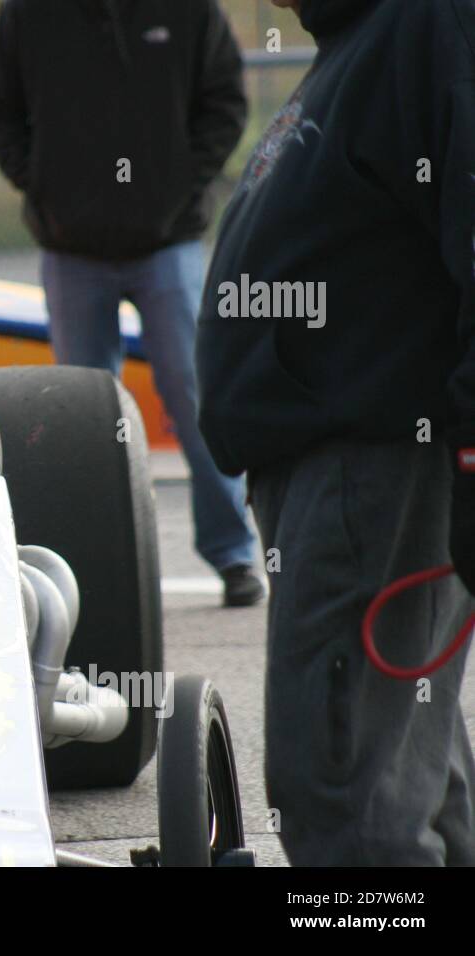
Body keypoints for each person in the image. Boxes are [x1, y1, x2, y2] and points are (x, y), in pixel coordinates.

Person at [196, 0, 475, 864]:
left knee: (348, 802)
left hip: (376, 469)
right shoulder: (368, 37)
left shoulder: (429, 23)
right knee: (404, 790)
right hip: (346, 474)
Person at [0, 0, 263, 607]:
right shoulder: (31, 14)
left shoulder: (189, 11)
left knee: (193, 394)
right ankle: (95, 568)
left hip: (170, 242)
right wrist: (45, 184)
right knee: (81, 417)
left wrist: (180, 181)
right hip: (71, 247)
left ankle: (234, 554)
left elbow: (226, 102)